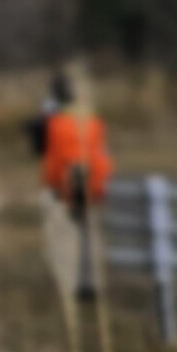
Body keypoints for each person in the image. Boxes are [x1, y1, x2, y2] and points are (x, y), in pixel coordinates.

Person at [40, 66, 114, 299]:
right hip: (92, 182)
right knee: (90, 232)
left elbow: (54, 160)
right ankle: (91, 281)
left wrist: (52, 186)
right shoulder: (93, 121)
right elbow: (101, 156)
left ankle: (73, 279)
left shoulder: (56, 124)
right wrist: (101, 184)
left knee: (69, 232)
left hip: (67, 185)